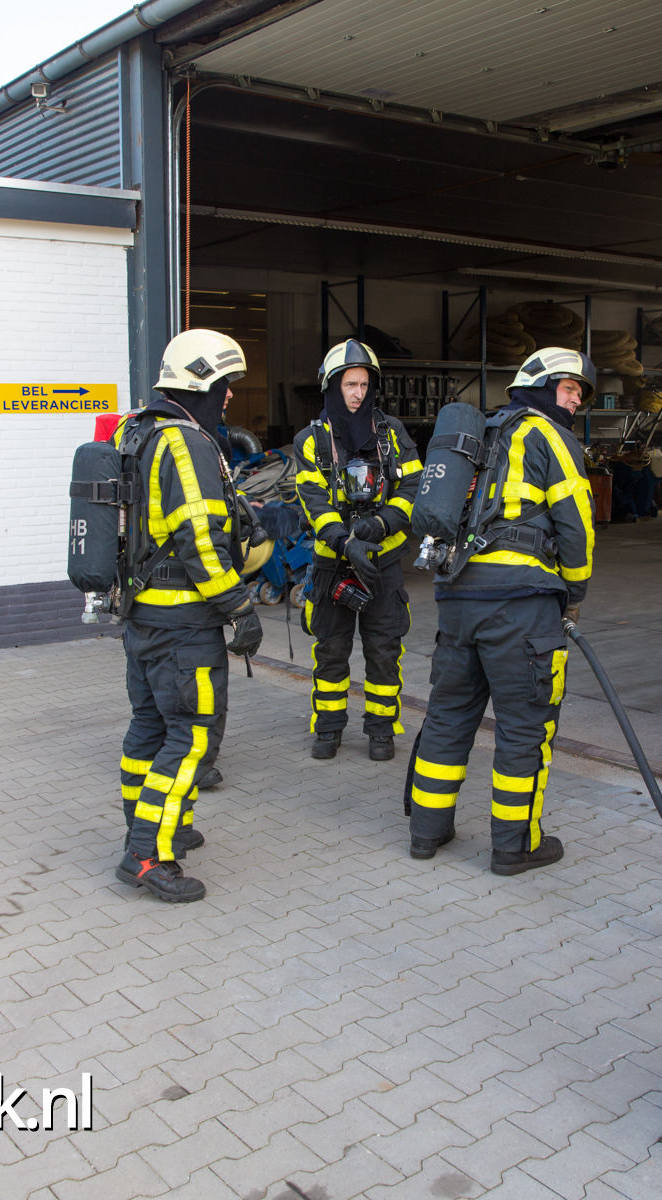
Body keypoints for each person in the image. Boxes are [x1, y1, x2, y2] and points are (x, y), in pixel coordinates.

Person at [406, 347, 595, 875]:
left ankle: (426, 831)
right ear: (537, 386)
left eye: (581, 392)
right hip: (520, 608)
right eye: (569, 388)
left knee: (447, 718)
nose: (577, 400)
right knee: (523, 729)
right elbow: (575, 519)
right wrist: (575, 592)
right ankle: (514, 848)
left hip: (459, 599)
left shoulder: (478, 435)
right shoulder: (549, 435)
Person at [114, 329, 265, 904]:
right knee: (191, 737)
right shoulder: (186, 443)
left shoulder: (138, 431)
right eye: (226, 385)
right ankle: (147, 855)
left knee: (148, 728)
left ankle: (149, 825)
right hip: (183, 625)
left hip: (143, 618)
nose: (229, 397)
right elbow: (200, 539)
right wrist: (239, 607)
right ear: (202, 382)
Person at [292, 340, 424, 761]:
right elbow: (313, 502)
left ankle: (381, 732)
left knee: (384, 650)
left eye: (364, 384)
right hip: (333, 566)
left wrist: (378, 525)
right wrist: (347, 542)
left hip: (382, 563)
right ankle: (329, 729)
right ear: (332, 386)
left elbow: (413, 487)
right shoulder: (311, 441)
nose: (358, 393)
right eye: (350, 383)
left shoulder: (391, 434)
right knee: (331, 650)